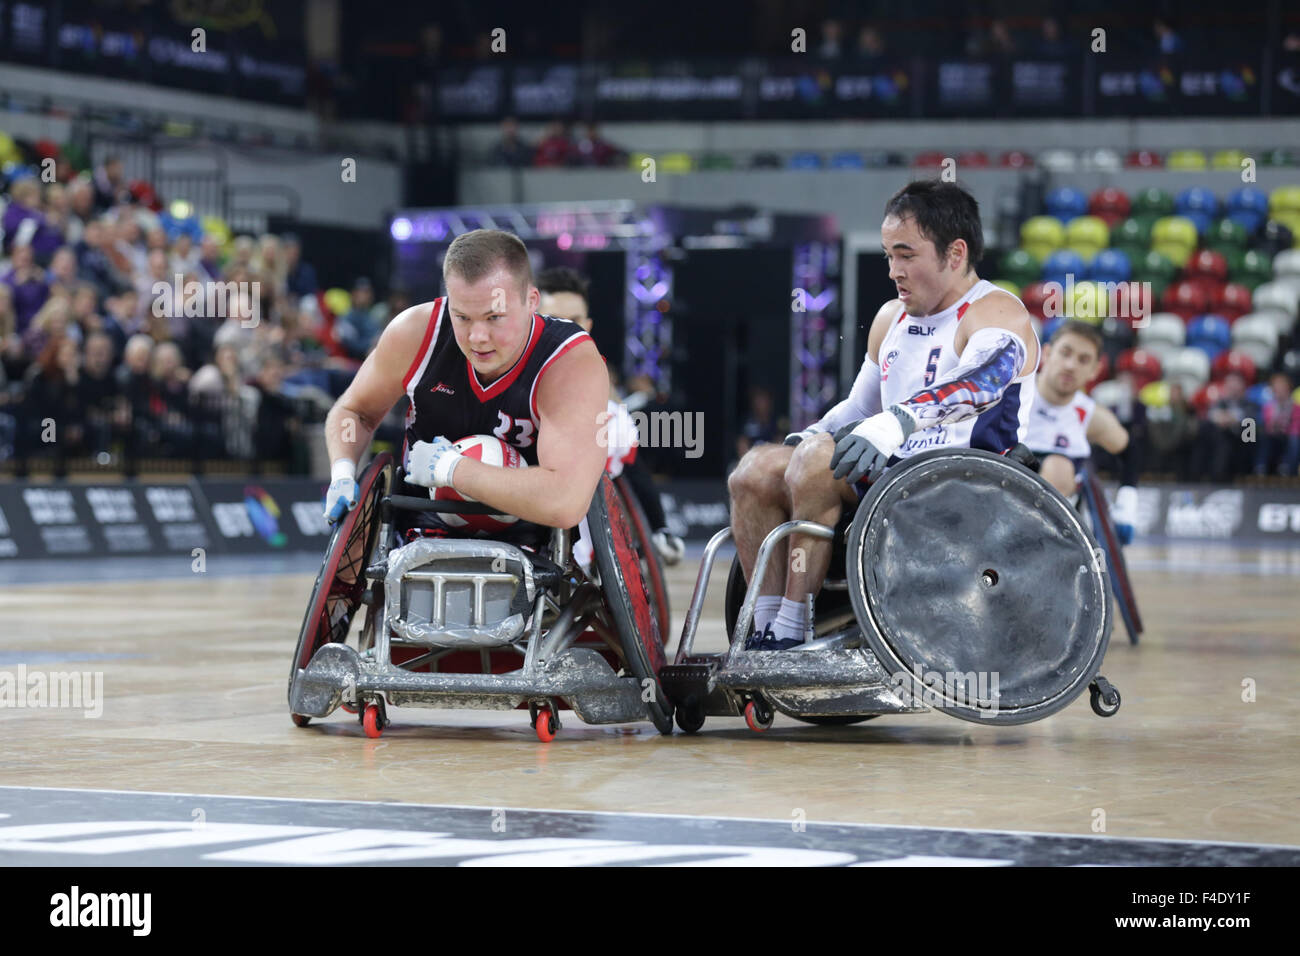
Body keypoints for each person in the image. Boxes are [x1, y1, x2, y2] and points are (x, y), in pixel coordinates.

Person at [728, 180, 1040, 650]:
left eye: (906, 255)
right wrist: (808, 436)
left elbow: (984, 381)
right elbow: (859, 408)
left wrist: (895, 422)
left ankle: (792, 631)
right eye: (888, 255)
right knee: (753, 470)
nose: (894, 270)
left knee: (817, 462)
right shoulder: (890, 317)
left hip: (964, 485)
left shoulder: (995, 310)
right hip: (891, 476)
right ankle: (764, 628)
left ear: (955, 254)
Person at [322, 229, 609, 538]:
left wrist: (451, 469)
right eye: (462, 317)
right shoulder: (415, 332)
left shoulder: (569, 359)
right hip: (421, 519)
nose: (477, 337)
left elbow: (565, 502)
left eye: (494, 317)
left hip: (532, 531)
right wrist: (342, 472)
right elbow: (355, 412)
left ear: (531, 301)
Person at [535, 265, 685, 564]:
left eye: (574, 321)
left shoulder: (607, 402)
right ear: (533, 321)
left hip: (578, 531)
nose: (564, 330)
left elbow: (634, 469)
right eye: (554, 320)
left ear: (587, 325)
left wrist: (658, 527)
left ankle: (656, 531)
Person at [1023, 320, 1139, 542]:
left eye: (1083, 360)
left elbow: (1130, 450)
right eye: (1065, 353)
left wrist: (1127, 503)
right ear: (1046, 354)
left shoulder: (1090, 415)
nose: (1071, 365)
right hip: (1000, 495)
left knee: (1059, 467)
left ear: (1095, 370)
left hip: (1054, 523)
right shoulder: (1014, 395)